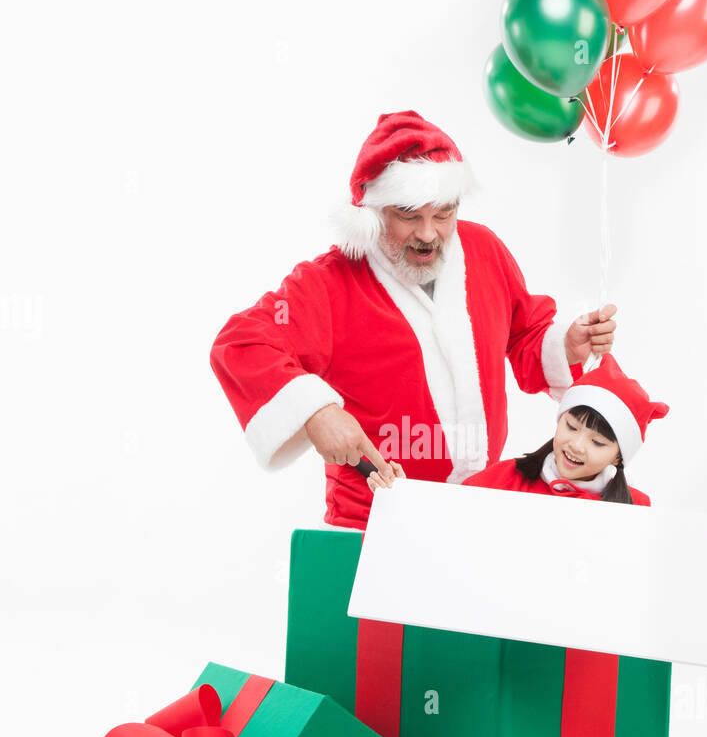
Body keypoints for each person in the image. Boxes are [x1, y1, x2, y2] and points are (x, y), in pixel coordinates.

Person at [209, 109, 618, 530]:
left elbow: (524, 333)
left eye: (443, 213)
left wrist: (566, 346)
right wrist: (317, 413)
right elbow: (240, 343)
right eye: (408, 214)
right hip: (368, 524)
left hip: (475, 514)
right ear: (374, 210)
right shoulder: (330, 281)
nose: (428, 233)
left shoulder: (484, 250)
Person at [367, 354, 707, 551]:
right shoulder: (503, 478)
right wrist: (403, 496)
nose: (577, 445)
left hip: (578, 658)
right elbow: (442, 521)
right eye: (571, 426)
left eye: (598, 442)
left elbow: (660, 568)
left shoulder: (635, 509)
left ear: (618, 457)